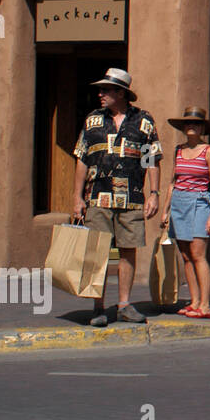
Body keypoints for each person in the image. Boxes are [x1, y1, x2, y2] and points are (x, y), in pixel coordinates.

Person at [72, 68, 161, 327]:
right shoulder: (93, 120)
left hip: (131, 197)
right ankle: (98, 307)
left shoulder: (143, 120)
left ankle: (124, 304)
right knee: (97, 253)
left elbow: (151, 160)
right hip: (97, 198)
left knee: (128, 251)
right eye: (100, 90)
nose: (100, 94)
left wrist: (154, 194)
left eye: (106, 90)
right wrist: (77, 197)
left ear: (121, 93)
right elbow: (81, 159)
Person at [160, 107, 210, 318]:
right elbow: (172, 182)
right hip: (178, 202)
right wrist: (165, 210)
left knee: (198, 254)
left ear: (203, 127)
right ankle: (194, 301)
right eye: (188, 124)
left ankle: (206, 305)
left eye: (196, 123)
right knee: (185, 255)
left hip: (199, 203)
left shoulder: (209, 151)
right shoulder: (178, 150)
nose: (191, 127)